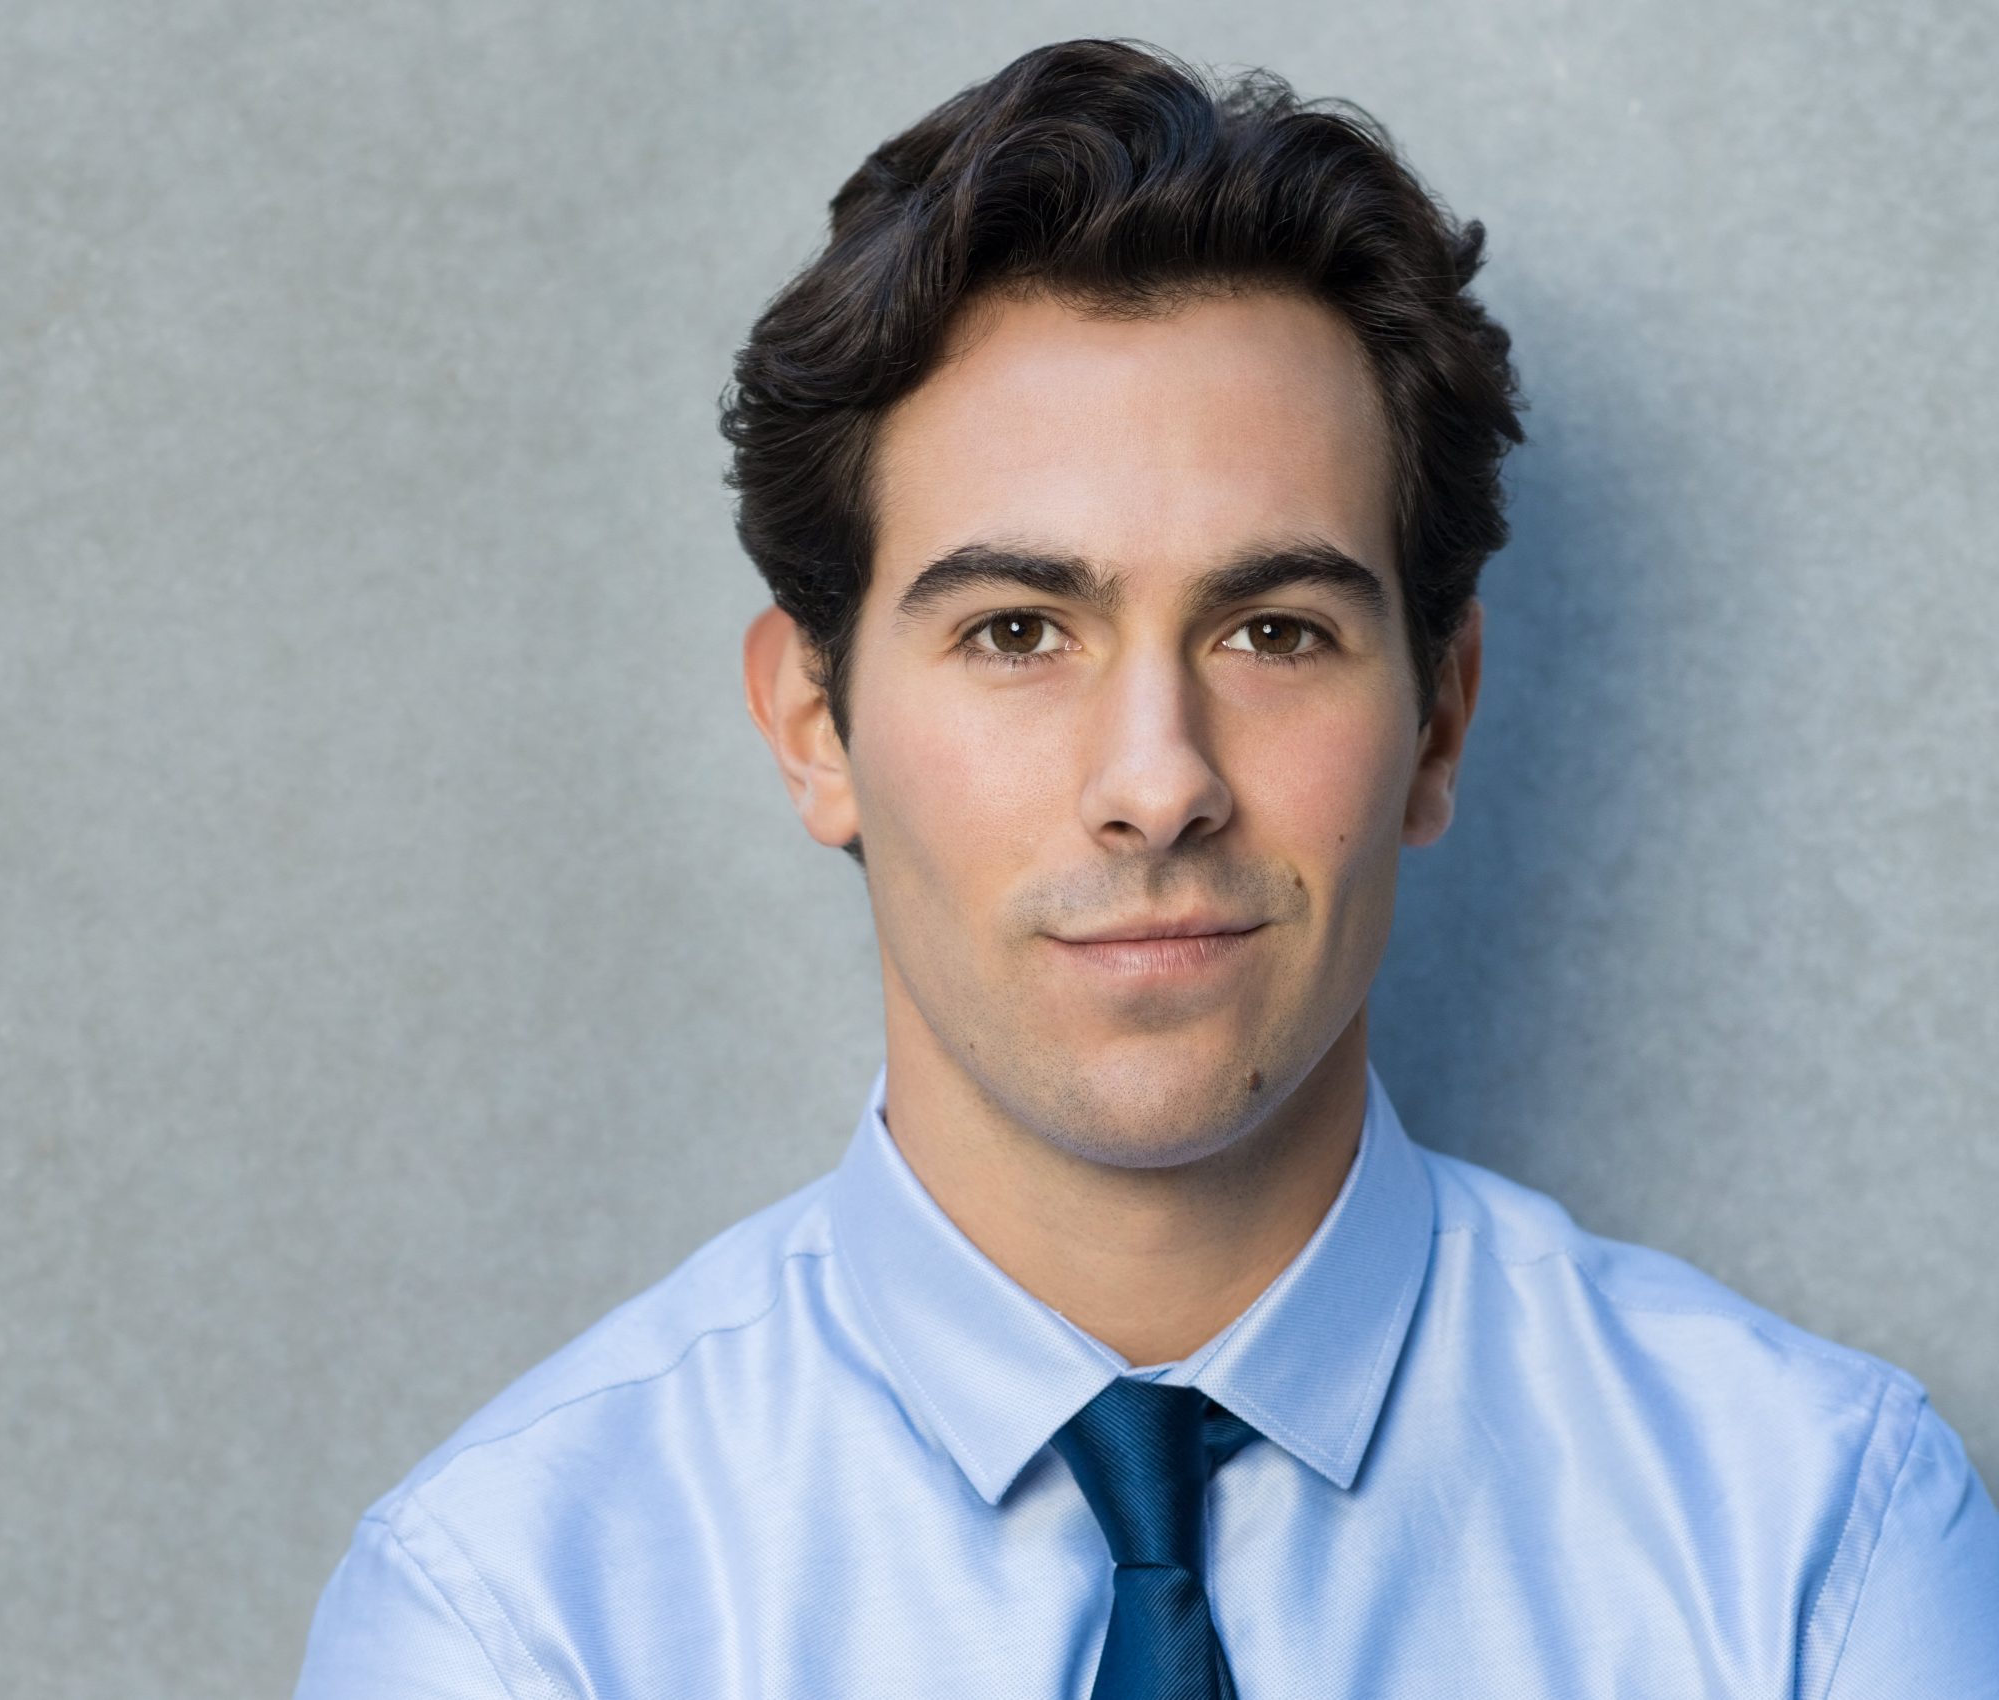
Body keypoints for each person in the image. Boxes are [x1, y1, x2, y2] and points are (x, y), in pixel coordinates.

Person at [293, 38, 1999, 1696]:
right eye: (1020, 629)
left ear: (1439, 720)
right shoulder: (518, 1620)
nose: (1158, 782)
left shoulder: (1811, 1550)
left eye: (1273, 629)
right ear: (815, 723)